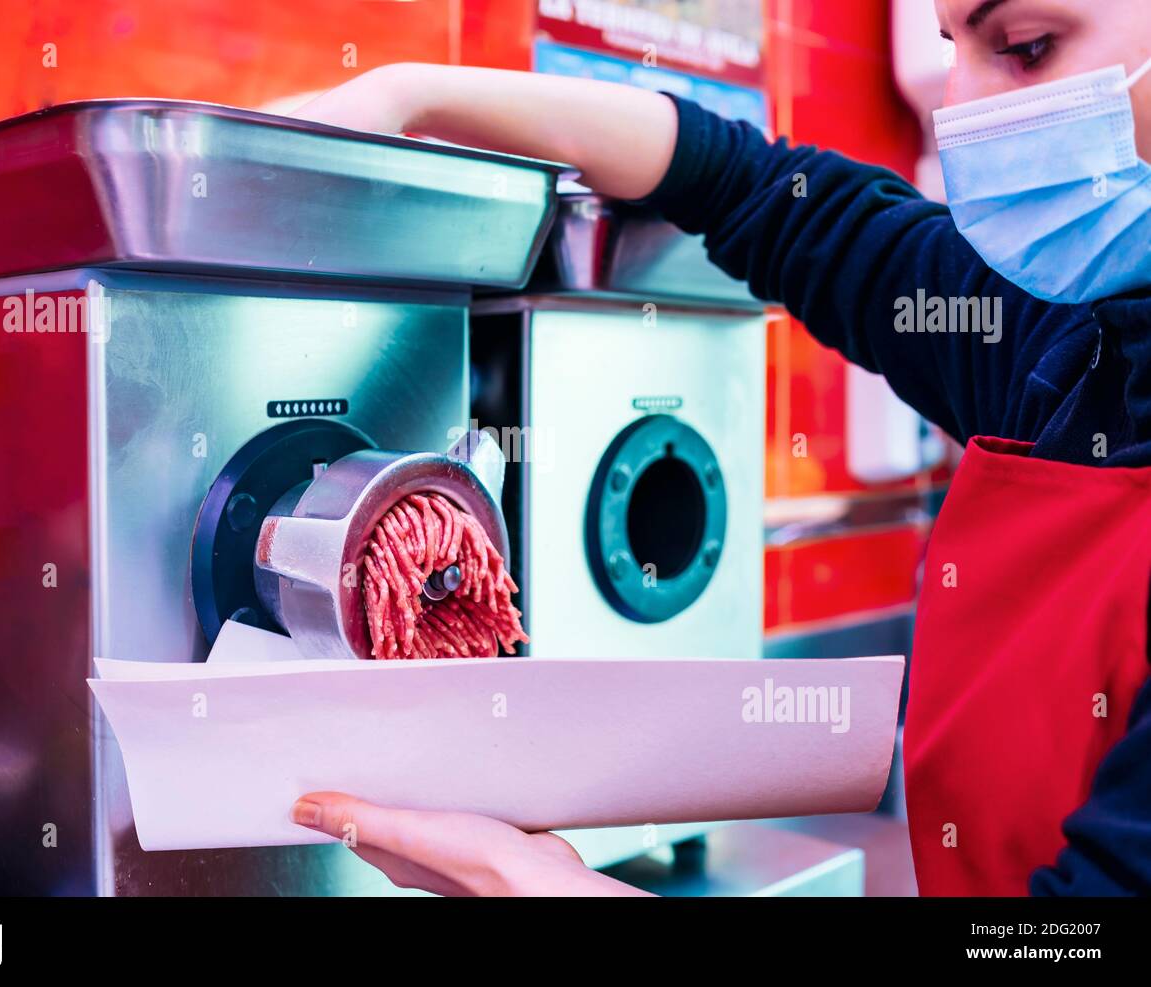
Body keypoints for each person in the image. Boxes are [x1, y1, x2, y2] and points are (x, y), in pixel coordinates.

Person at [285, 0, 1151, 896]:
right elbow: (751, 186)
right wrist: (409, 95)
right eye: (949, 51)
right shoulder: (1061, 352)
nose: (965, 108)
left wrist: (542, 884)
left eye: (1023, 47)